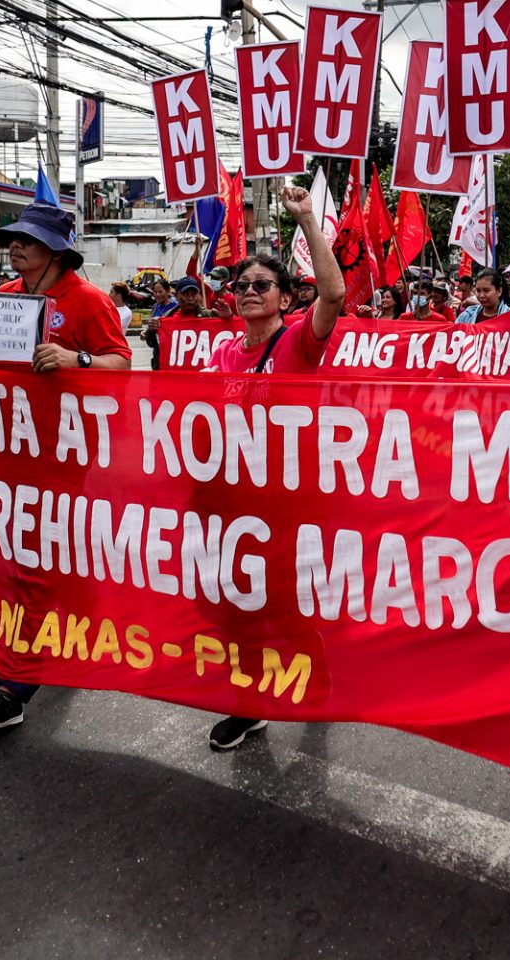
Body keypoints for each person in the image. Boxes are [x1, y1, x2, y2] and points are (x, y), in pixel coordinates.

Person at [0, 201, 131, 728]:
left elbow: (121, 363)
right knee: (16, 558)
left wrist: (79, 360)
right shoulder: (0, 299)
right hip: (7, 449)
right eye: (13, 239)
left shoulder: (88, 300)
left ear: (55, 249)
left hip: (63, 456)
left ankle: (17, 683)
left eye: (26, 239)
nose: (15, 246)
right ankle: (63, 638)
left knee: (39, 561)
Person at [200, 183, 345, 751]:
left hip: (284, 503)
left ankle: (317, 675)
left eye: (262, 285)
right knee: (235, 604)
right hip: (229, 501)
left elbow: (332, 294)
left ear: (285, 298)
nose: (249, 292)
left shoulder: (296, 346)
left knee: (282, 604)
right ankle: (250, 702)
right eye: (242, 286)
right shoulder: (221, 353)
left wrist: (307, 220)